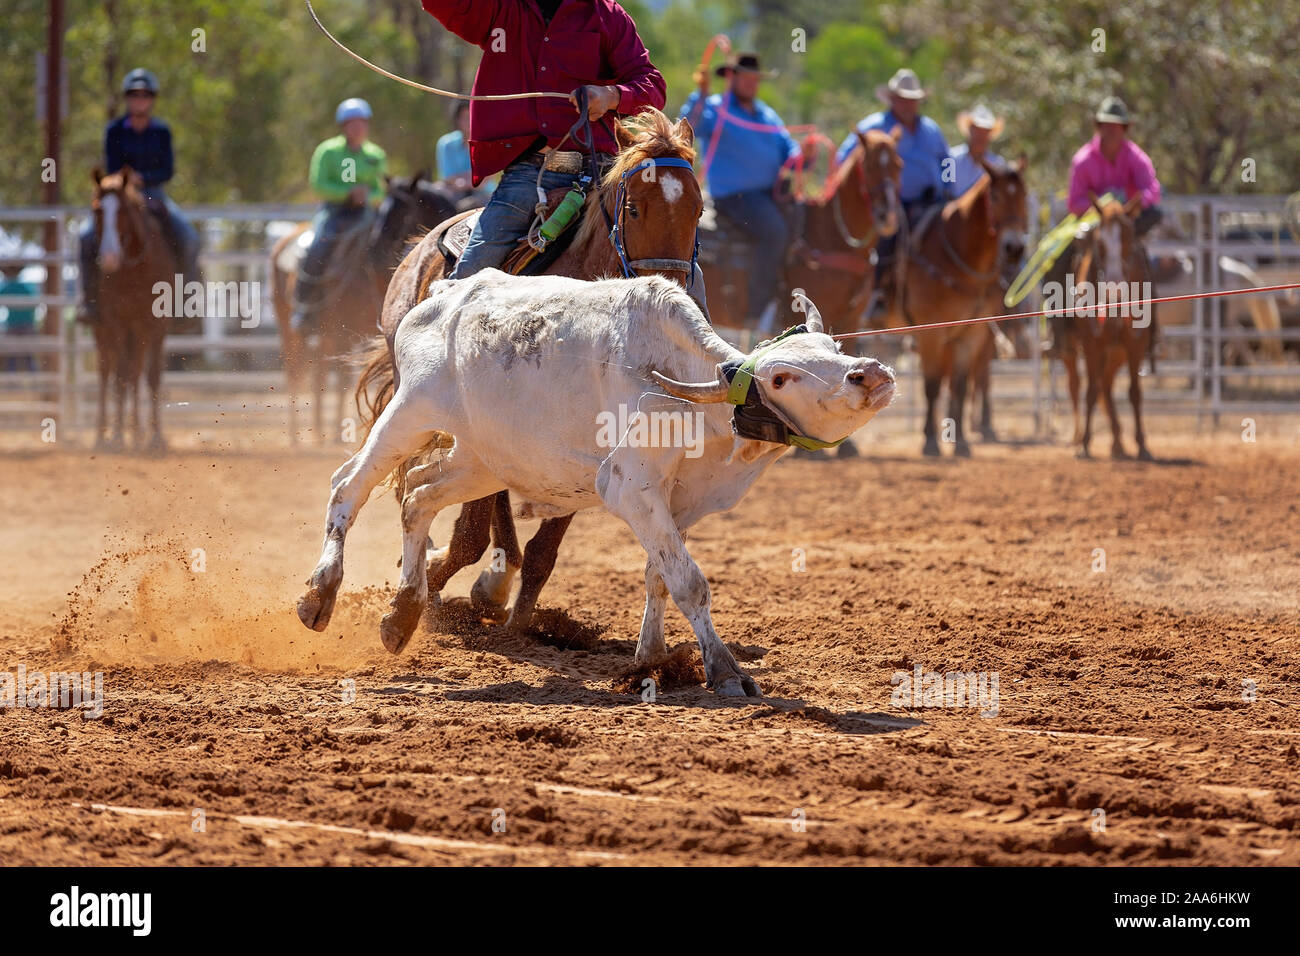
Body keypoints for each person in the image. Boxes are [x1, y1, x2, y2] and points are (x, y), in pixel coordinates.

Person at [421, 0, 667, 280]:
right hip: (528, 174)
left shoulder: (608, 15)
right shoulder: (501, 8)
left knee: (673, 266)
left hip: (602, 176)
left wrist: (612, 95)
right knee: (467, 281)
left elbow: (653, 85)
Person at [680, 52, 800, 331]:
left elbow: (787, 145)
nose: (751, 84)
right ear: (732, 78)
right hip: (735, 197)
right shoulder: (714, 108)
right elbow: (689, 125)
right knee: (774, 232)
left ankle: (788, 295)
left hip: (771, 194)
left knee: (807, 224)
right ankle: (758, 311)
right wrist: (699, 95)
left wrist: (798, 155)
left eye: (755, 79)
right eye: (746, 78)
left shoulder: (765, 113)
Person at [78, 68, 200, 325]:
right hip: (119, 195)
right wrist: (125, 181)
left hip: (154, 193)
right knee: (85, 236)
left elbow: (167, 170)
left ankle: (184, 304)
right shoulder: (114, 131)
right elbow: (111, 166)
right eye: (134, 94)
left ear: (152, 99)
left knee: (189, 238)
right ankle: (88, 301)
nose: (139, 99)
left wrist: (142, 179)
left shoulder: (162, 132)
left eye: (145, 95)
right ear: (127, 98)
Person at [1044, 95, 1163, 355]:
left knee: (1145, 267)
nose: (1110, 131)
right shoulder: (1083, 159)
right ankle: (1058, 334)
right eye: (1105, 125)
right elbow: (1074, 201)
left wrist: (1129, 205)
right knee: (1056, 264)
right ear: (1098, 127)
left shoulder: (1136, 158)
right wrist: (1100, 210)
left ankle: (1151, 334)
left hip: (1124, 227)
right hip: (1093, 227)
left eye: (1116, 125)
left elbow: (1153, 191)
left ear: (1124, 128)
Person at [838, 69, 951, 302]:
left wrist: (949, 188)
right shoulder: (873, 126)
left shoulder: (931, 130)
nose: (908, 105)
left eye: (912, 100)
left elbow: (947, 161)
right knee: (887, 239)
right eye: (903, 99)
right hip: (889, 203)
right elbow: (843, 158)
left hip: (932, 203)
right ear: (892, 99)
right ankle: (878, 293)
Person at [291, 98, 387, 334]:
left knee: (387, 250)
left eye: (362, 123)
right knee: (316, 248)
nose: (358, 128)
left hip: (367, 213)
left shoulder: (375, 154)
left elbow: (383, 188)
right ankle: (304, 309)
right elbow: (318, 185)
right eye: (352, 123)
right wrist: (347, 194)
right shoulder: (328, 151)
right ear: (343, 126)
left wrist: (369, 196)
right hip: (335, 212)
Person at [949, 104, 1005, 197]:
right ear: (970, 129)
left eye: (985, 131)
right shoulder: (951, 158)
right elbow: (943, 191)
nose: (981, 135)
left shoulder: (998, 164)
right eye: (977, 130)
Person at [0, 263, 39, 372]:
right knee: (29, 356)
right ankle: (35, 383)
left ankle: (11, 385)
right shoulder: (26, 287)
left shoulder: (5, 288)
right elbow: (35, 303)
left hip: (13, 325)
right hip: (28, 325)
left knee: (11, 357)